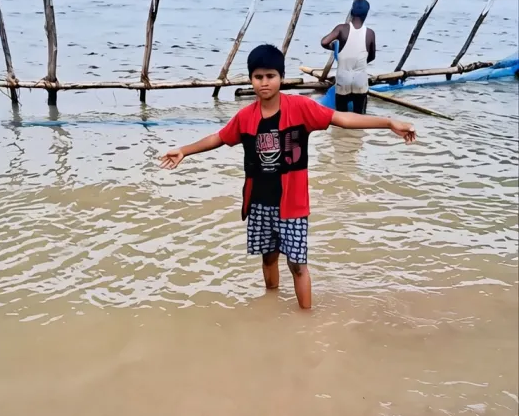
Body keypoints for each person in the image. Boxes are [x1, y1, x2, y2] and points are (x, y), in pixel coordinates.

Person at [160, 44, 415, 310]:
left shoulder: (300, 108)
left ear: (281, 77)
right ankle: (271, 306)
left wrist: (387, 122)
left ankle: (306, 319)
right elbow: (220, 138)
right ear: (251, 80)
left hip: (292, 206)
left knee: (297, 265)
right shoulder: (246, 117)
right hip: (259, 203)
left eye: (270, 76)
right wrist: (184, 151)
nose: (264, 83)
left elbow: (342, 119)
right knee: (268, 258)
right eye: (258, 77)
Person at [321, 0, 375, 114]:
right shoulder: (370, 33)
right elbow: (371, 57)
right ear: (366, 14)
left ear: (351, 12)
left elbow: (324, 42)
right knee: (360, 116)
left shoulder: (341, 29)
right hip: (360, 80)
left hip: (343, 80)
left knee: (341, 117)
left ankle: (341, 132)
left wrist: (335, 47)